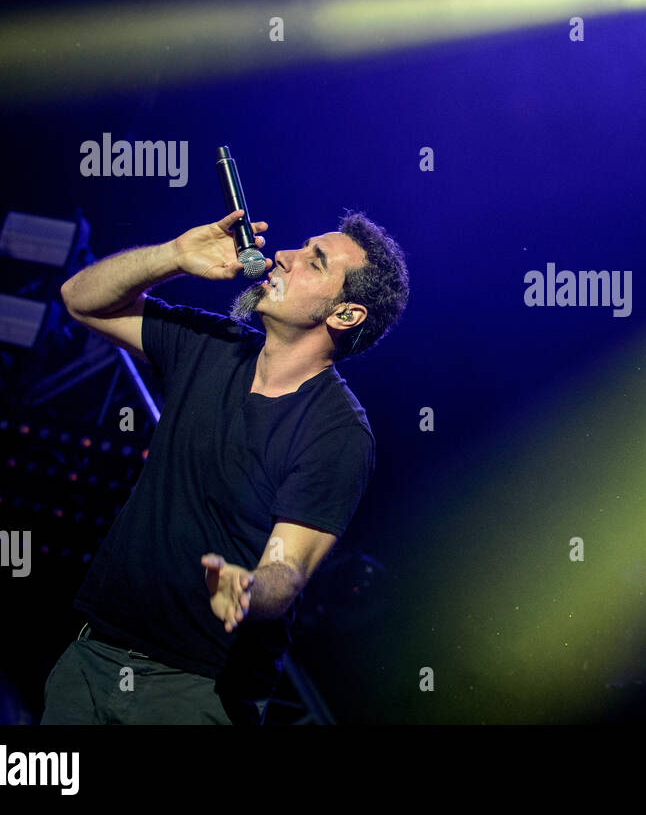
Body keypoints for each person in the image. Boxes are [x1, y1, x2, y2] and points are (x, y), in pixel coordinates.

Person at [40, 207, 409, 724]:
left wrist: (249, 588)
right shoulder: (211, 344)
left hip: (198, 691)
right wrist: (173, 256)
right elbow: (79, 300)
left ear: (345, 314)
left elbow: (288, 567)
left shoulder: (338, 431)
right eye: (301, 247)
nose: (283, 256)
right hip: (94, 656)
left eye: (315, 262)